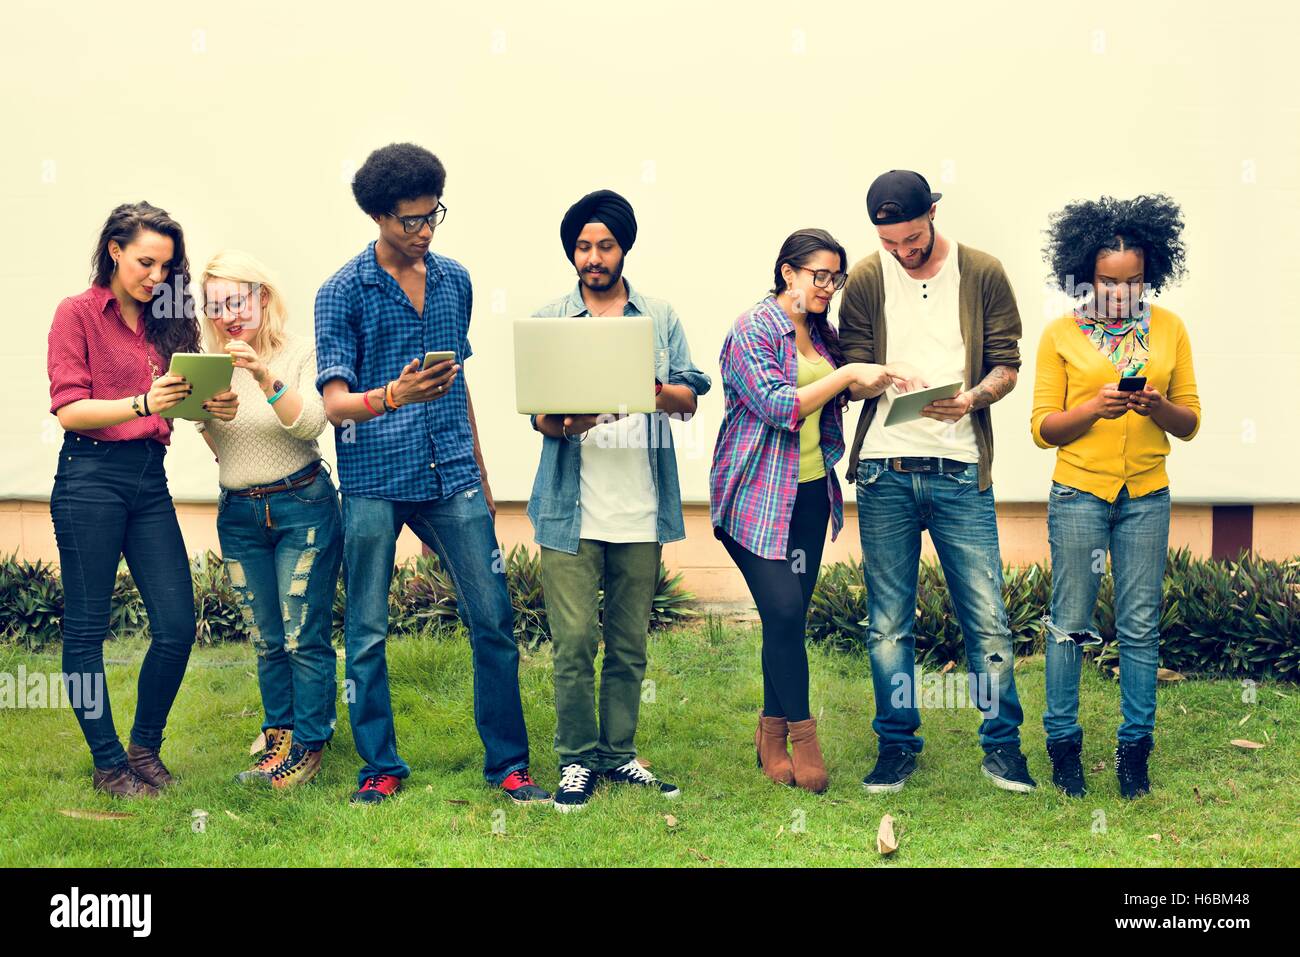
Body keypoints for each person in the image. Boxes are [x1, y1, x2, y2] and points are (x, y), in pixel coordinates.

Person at [314, 142, 548, 805]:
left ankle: (509, 764)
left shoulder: (455, 280)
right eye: (410, 220)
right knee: (366, 633)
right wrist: (394, 395)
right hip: (374, 478)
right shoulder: (341, 292)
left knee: (494, 617)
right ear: (378, 216)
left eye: (433, 215)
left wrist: (481, 471)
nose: (425, 231)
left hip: (452, 475)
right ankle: (380, 765)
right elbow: (334, 404)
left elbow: (457, 379)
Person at [838, 170, 1036, 794]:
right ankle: (896, 747)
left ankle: (1003, 748)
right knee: (888, 624)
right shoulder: (866, 278)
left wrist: (972, 398)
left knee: (988, 619)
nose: (902, 251)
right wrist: (879, 374)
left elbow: (1007, 363)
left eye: (913, 239)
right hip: (884, 470)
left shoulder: (983, 272)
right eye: (890, 242)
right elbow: (850, 371)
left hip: (960, 471)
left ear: (933, 215)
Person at [527, 189, 711, 812]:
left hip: (641, 507)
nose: (594, 257)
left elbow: (688, 399)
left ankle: (618, 753)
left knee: (629, 644)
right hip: (570, 509)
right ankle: (577, 760)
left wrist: (647, 388)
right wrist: (570, 420)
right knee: (576, 642)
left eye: (605, 245)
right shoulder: (550, 320)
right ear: (572, 253)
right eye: (583, 247)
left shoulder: (657, 316)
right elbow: (540, 419)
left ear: (623, 248)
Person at [46, 201, 237, 797]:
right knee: (85, 632)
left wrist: (214, 406)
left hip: (148, 481)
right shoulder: (76, 314)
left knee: (177, 624)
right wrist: (143, 403)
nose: (157, 277)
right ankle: (108, 765)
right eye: (146, 263)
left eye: (166, 267)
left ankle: (143, 749)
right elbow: (69, 409)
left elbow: (181, 405)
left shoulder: (167, 322)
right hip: (89, 478)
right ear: (114, 251)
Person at [711, 228, 893, 793]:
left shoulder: (821, 332)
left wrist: (882, 378)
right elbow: (778, 405)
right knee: (786, 611)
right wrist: (847, 375)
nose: (829, 287)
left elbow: (837, 393)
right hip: (754, 496)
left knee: (785, 621)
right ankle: (803, 737)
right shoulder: (752, 329)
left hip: (809, 494)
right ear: (787, 272)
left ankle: (770, 734)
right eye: (820, 276)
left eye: (836, 278)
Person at [1032, 194, 1200, 799]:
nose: (1122, 293)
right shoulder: (1060, 334)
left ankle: (1135, 752)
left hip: (1147, 495)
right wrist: (1091, 410)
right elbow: (1043, 428)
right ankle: (1063, 747)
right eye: (1108, 281)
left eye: (1134, 281)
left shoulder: (1170, 329)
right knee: (1070, 624)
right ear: (1086, 274)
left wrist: (1158, 406)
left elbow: (1190, 423)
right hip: (1079, 492)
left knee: (1139, 624)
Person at [196, 250, 343, 790]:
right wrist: (206, 414)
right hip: (239, 513)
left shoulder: (301, 352)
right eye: (215, 307)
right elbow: (215, 441)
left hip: (301, 506)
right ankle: (279, 736)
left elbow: (310, 424)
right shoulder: (210, 365)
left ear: (262, 297)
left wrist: (262, 375)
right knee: (266, 636)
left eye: (237, 301)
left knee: (302, 634)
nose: (227, 316)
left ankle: (309, 745)